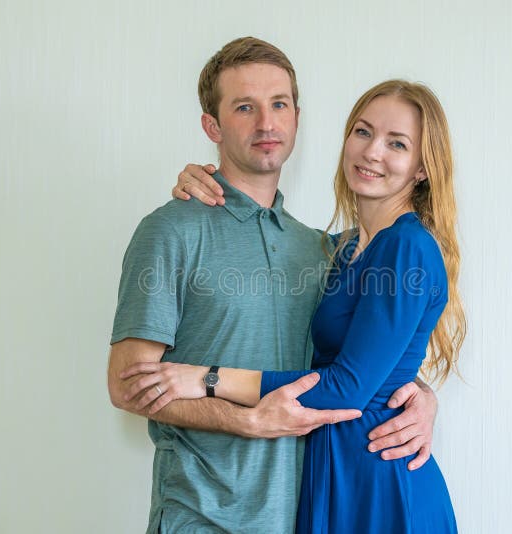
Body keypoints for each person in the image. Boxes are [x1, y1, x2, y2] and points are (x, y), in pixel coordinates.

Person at [107, 37, 440, 534]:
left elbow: (363, 354)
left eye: (279, 104)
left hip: (306, 514)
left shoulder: (326, 251)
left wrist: (420, 394)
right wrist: (245, 421)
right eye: (245, 107)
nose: (266, 123)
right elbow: (127, 385)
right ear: (212, 126)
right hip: (202, 517)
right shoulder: (171, 230)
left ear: (297, 118)